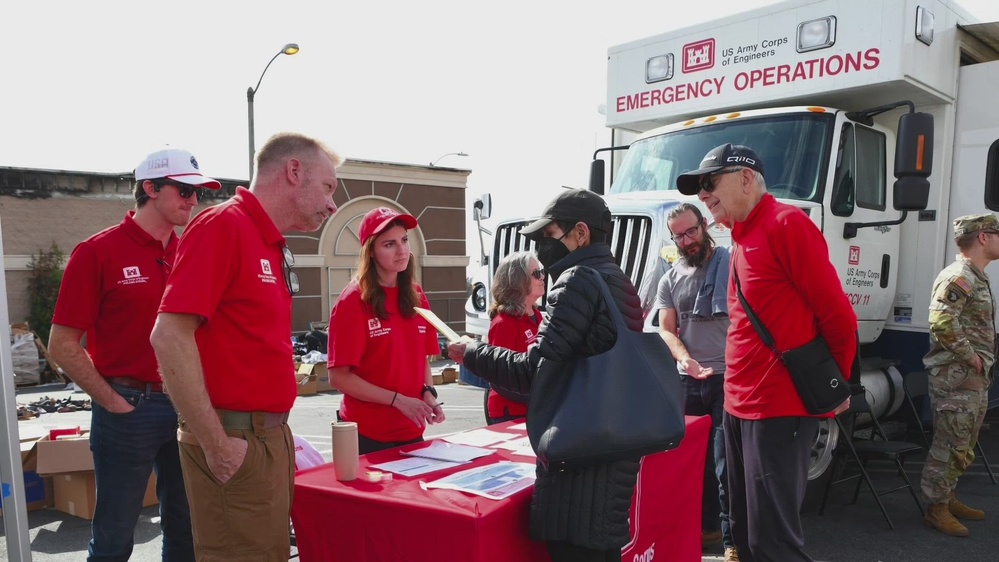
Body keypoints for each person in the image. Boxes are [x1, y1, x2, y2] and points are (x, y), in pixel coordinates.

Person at [150, 133, 340, 561]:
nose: (331, 204)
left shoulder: (266, 240)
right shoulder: (224, 225)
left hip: (265, 436)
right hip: (235, 437)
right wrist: (217, 445)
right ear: (294, 171)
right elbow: (169, 335)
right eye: (327, 187)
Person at [676, 143, 856, 562]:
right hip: (737, 405)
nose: (702, 196)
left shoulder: (786, 224)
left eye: (709, 183)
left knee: (773, 541)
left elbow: (838, 317)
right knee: (742, 533)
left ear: (745, 178)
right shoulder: (741, 237)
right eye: (698, 189)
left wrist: (835, 384)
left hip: (779, 407)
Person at [446, 188, 643, 562]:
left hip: (579, 462)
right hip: (609, 447)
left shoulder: (578, 281)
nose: (542, 251)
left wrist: (472, 352)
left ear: (580, 233)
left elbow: (534, 373)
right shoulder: (616, 279)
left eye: (549, 236)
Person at [48, 147, 220, 562]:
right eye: (183, 190)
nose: (192, 201)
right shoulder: (97, 252)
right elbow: (61, 345)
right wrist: (112, 401)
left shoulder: (190, 252)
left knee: (186, 531)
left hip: (187, 408)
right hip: (129, 408)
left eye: (198, 193)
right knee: (113, 538)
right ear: (150, 188)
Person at [654, 202, 737, 562]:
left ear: (705, 226)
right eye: (679, 236)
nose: (687, 241)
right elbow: (666, 329)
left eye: (691, 231)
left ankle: (732, 541)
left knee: (724, 464)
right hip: (687, 380)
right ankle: (701, 528)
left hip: (727, 379)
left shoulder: (733, 264)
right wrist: (684, 359)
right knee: (687, 462)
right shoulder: (670, 278)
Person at [326, 206, 445, 454]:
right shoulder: (353, 301)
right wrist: (398, 401)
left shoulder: (417, 297)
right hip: (367, 435)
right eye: (389, 244)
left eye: (404, 240)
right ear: (370, 252)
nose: (402, 250)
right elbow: (339, 377)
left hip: (411, 431)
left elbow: (420, 359)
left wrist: (428, 393)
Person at [920, 213, 999, 537]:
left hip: (970, 376)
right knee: (950, 442)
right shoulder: (960, 276)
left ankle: (947, 496)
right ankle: (935, 508)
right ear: (982, 237)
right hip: (957, 375)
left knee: (963, 442)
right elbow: (941, 321)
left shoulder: (976, 276)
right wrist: (972, 357)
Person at [483, 251, 545, 425]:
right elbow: (498, 377)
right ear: (518, 281)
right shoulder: (504, 323)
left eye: (541, 272)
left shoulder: (538, 316)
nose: (542, 277)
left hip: (535, 409)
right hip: (511, 413)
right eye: (536, 273)